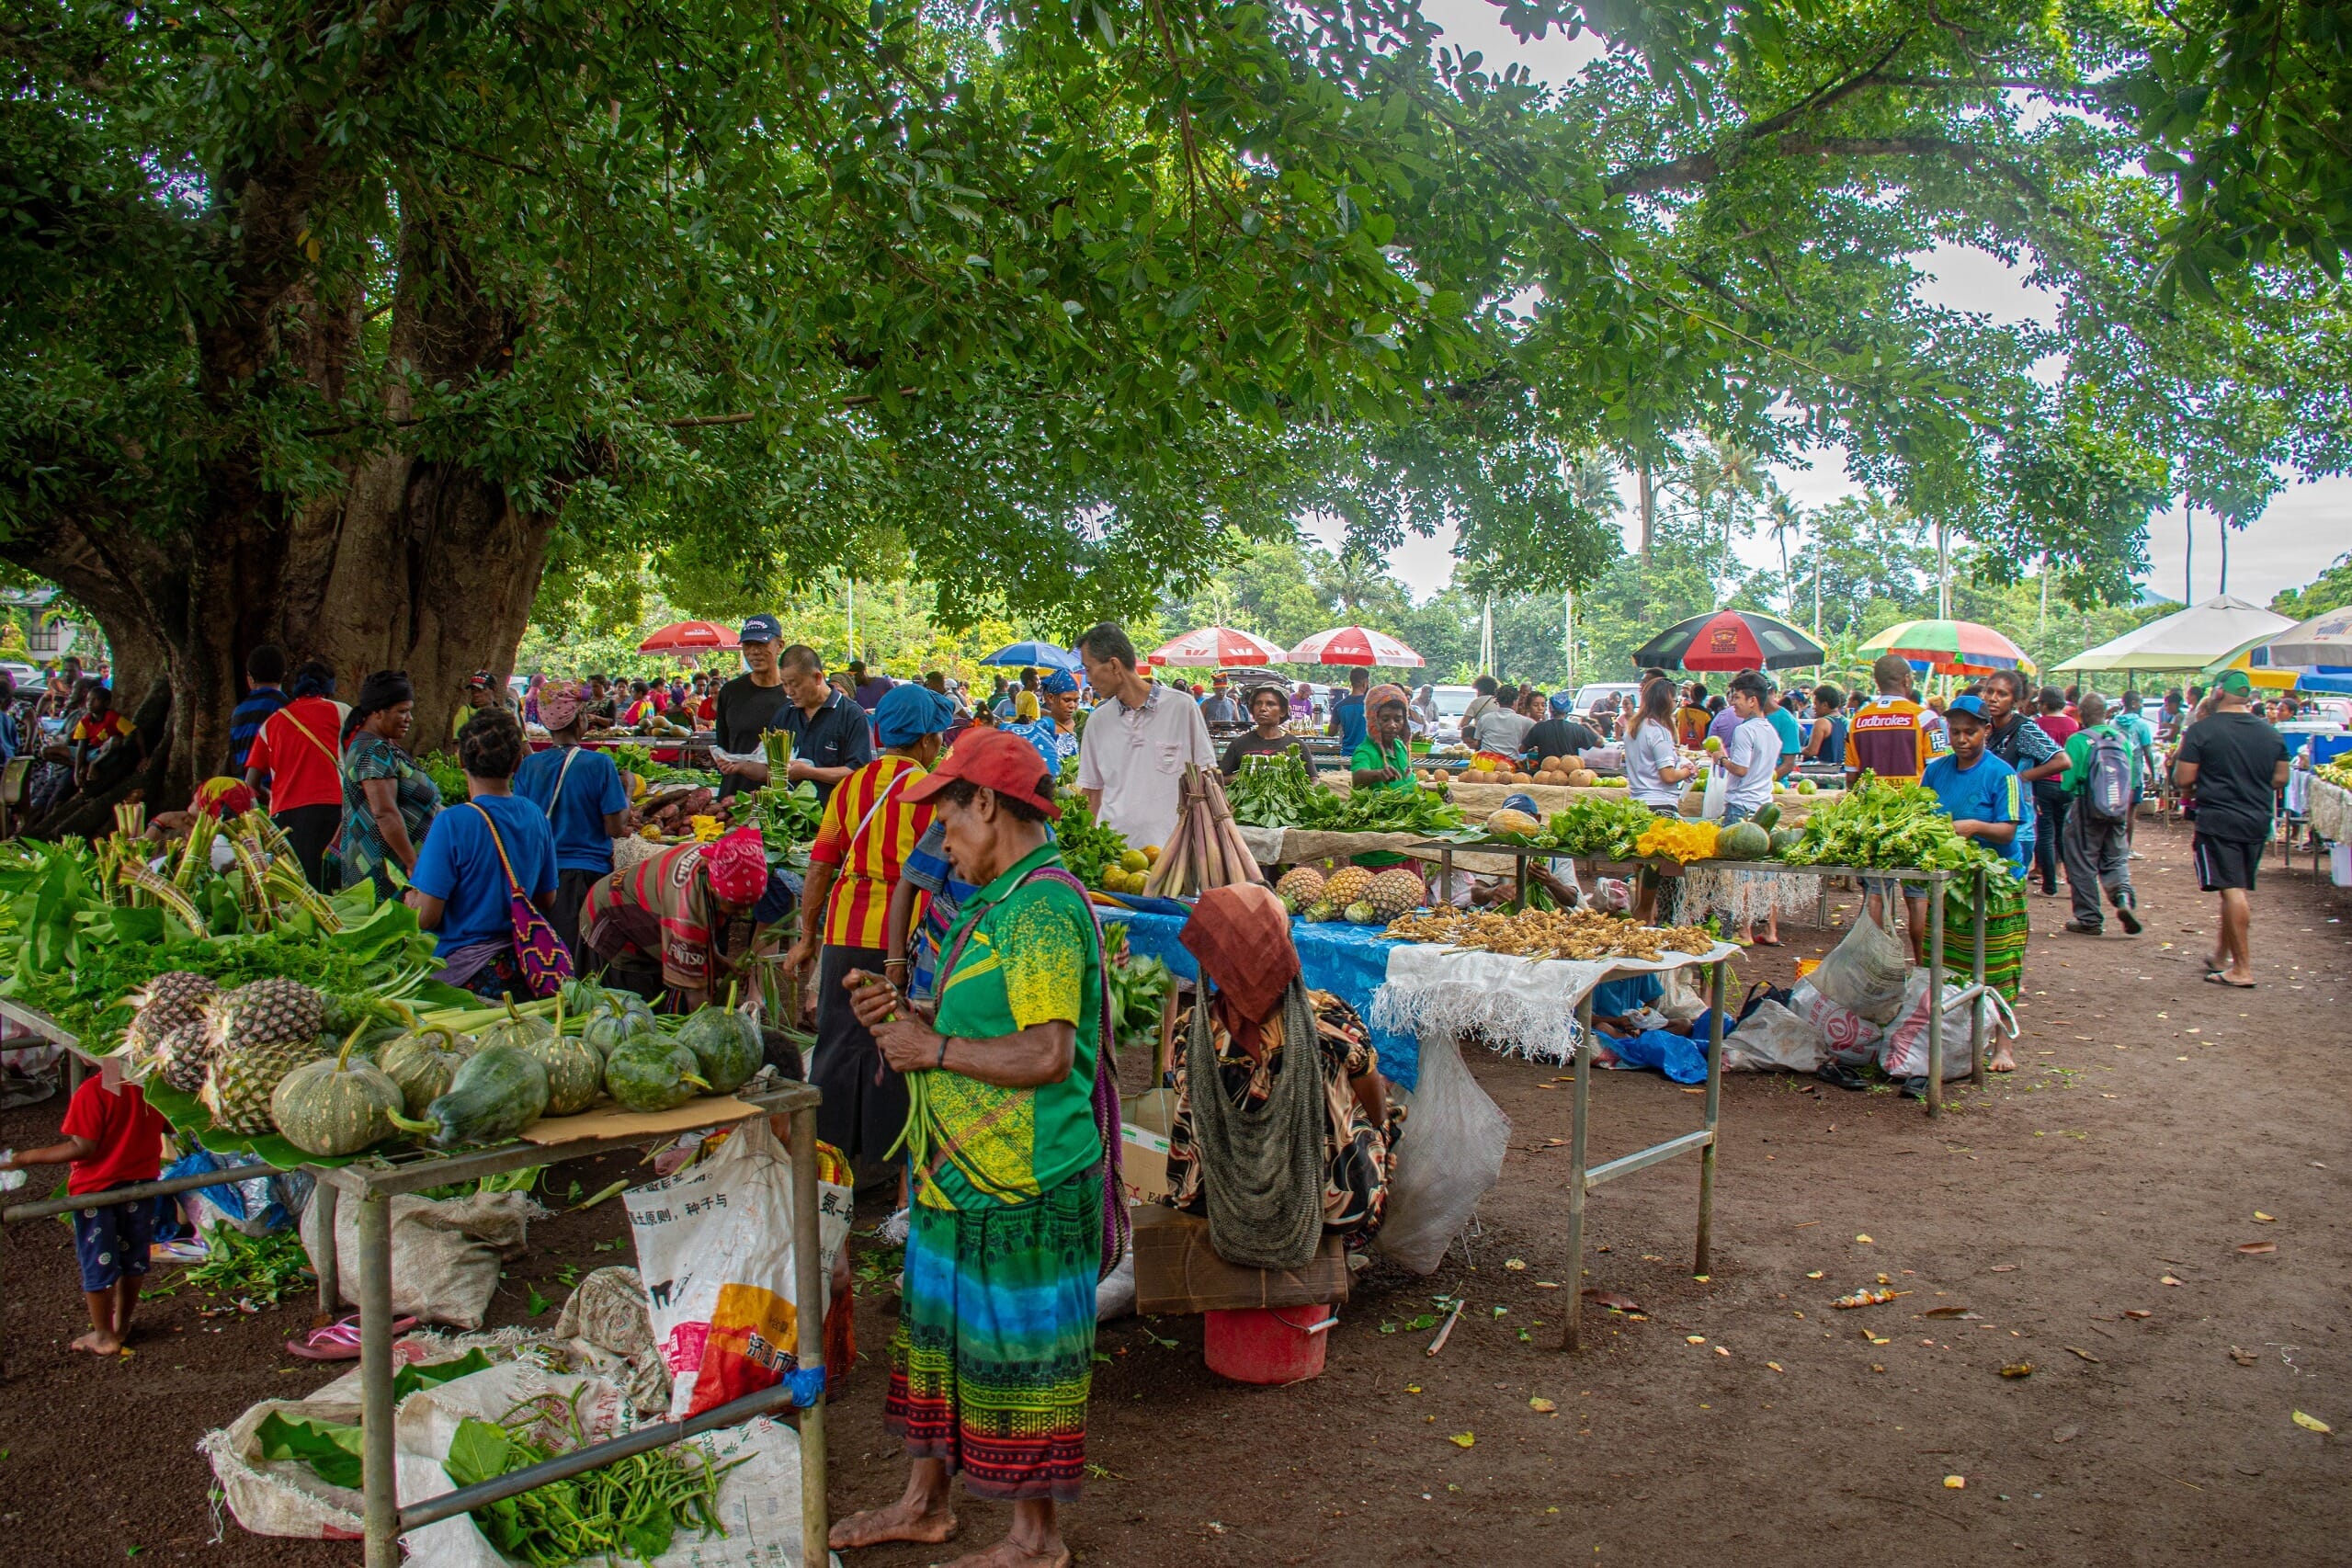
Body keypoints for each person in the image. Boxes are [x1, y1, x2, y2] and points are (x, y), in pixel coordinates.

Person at [828, 730, 1112, 1568]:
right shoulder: (993, 902)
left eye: (947, 821)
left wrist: (934, 1052)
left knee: (1016, 1358)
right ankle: (923, 1505)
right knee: (937, 1340)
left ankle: (1034, 1542)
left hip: (1024, 1182)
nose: (940, 843)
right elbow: (974, 1024)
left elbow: (1046, 1055)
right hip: (957, 1173)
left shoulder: (1043, 910)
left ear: (987, 805)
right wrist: (905, 1018)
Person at [1163, 883, 1401, 1252]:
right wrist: (1381, 1129)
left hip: (1212, 1202)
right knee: (1381, 1118)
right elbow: (1375, 1107)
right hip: (1326, 1207)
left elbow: (1184, 1096)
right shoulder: (1329, 1022)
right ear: (1281, 946)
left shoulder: (1191, 1033)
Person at [784, 683, 955, 1165]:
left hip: (843, 928)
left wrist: (808, 937)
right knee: (896, 1042)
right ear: (926, 740)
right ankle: (885, 1159)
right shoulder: (930, 792)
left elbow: (819, 867)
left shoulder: (849, 785)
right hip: (904, 937)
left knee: (838, 1041)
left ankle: (827, 1150)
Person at [0, 1068, 168, 1358]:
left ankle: (103, 1335)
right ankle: (122, 1325)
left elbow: (82, 1147)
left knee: (98, 1259)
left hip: (96, 1190)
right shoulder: (149, 1086)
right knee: (133, 1257)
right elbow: (170, 1126)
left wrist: (23, 1158)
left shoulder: (93, 1091)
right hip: (141, 1184)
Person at [406, 709, 562, 997]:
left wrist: (412, 898)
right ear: (517, 762)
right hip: (522, 967)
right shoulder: (535, 815)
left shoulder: (452, 822)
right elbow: (546, 898)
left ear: (460, 760)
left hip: (462, 976)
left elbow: (427, 917)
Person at [1921, 696, 2033, 1058]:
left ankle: (2003, 1046)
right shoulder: (1935, 771)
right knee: (1948, 960)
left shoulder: (2003, 774)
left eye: (1970, 731)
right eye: (1955, 732)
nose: (1961, 739)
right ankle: (1953, 1041)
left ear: (1987, 730)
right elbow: (1923, 815)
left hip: (1997, 880)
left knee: (1998, 963)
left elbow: (2008, 831)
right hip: (1952, 881)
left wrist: (1974, 827)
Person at [583, 826, 791, 1010]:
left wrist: (720, 964)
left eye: (749, 906)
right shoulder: (686, 908)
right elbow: (696, 997)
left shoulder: (717, 860)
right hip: (615, 919)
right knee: (636, 1007)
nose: (742, 914)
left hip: (648, 910)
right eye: (736, 906)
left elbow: (700, 944)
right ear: (714, 887)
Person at [2175, 670, 2290, 988]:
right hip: (2256, 818)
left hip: (2219, 817)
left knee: (2232, 888)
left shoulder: (2201, 731)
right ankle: (2222, 956)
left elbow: (2183, 779)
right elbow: (2281, 779)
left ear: (2219, 692)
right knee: (2234, 885)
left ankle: (2242, 968)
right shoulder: (2271, 733)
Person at [514, 682, 634, 954]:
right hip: (584, 875)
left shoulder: (529, 766)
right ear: (580, 719)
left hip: (539, 873)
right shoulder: (599, 763)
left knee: (546, 952)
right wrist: (626, 790)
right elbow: (615, 827)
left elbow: (522, 821)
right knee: (580, 955)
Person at [1074, 621, 1217, 852]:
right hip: (1115, 858)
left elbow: (1205, 778)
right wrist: (1089, 849)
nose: (1087, 679)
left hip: (1175, 854)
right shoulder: (1097, 721)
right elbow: (1091, 793)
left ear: (1113, 665)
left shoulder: (1182, 708)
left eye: (1088, 669)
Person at [1846, 653, 1947, 961]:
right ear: (1907, 681)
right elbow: (1940, 771)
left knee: (1876, 891)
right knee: (1917, 894)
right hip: (1915, 818)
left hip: (1874, 820)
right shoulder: (1926, 719)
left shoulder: (1859, 719)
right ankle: (1922, 963)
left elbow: (1851, 778)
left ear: (1876, 682)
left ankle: (1873, 963)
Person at [724, 640, 872, 804]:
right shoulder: (785, 714)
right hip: (789, 819)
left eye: (794, 684)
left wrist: (809, 772)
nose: (789, 692)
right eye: (785, 685)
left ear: (817, 678)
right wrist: (740, 766)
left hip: (833, 819)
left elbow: (858, 773)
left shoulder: (851, 714)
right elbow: (772, 770)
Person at [335, 671, 440, 898]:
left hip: (393, 868)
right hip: (385, 872)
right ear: (377, 713)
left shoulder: (379, 746)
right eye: (402, 711)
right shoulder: (374, 751)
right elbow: (385, 813)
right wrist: (413, 864)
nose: (409, 718)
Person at [244, 659, 346, 892]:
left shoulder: (271, 723)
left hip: (285, 818)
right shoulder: (341, 712)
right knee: (337, 888)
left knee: (301, 890)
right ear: (330, 687)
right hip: (332, 812)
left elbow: (250, 784)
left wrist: (271, 794)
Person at [2055, 691, 2142, 937]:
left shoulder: (2077, 740)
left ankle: (2089, 918)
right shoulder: (2122, 739)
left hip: (2086, 806)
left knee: (2081, 861)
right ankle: (2122, 897)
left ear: (2081, 714)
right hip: (2117, 807)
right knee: (2115, 857)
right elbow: (2132, 778)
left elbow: (2067, 783)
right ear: (2106, 713)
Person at [1622, 678, 1699, 922]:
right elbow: (1667, 776)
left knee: (1647, 867)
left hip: (1638, 805)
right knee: (1668, 872)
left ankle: (1645, 913)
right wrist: (1687, 771)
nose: (1676, 704)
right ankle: (1664, 921)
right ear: (1666, 701)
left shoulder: (1634, 728)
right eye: (1674, 699)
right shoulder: (1659, 731)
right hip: (1660, 807)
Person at [1717, 672, 1784, 947]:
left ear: (1753, 700)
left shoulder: (1744, 730)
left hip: (1741, 807)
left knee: (1738, 872)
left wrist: (1721, 759)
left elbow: (1741, 769)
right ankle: (1771, 930)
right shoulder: (1771, 731)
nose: (1734, 704)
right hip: (1763, 803)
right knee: (1765, 873)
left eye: (1738, 699)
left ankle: (1744, 930)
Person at [227, 644, 289, 773]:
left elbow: (233, 756)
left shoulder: (238, 712)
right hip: (274, 789)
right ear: (284, 675)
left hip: (245, 789)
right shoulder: (286, 709)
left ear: (250, 678)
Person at [2111, 691, 2160, 852]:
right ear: (2133, 704)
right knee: (2131, 812)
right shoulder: (2141, 725)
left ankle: (2114, 846)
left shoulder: (2113, 723)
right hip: (2134, 775)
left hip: (2116, 774)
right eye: (2140, 702)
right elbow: (2148, 752)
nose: (2142, 706)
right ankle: (2127, 849)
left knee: (2117, 810)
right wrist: (2153, 773)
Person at [1220, 684, 1303, 775]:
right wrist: (1237, 778)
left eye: (1270, 704)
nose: (1262, 708)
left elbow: (1313, 780)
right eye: (1258, 703)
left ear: (1282, 711)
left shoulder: (1296, 746)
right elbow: (1219, 778)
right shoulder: (1238, 745)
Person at [1348, 684, 1415, 791]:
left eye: (1398, 720)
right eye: (1385, 719)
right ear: (1373, 721)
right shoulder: (1365, 751)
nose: (1392, 725)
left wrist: (1433, 791)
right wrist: (1378, 774)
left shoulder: (1400, 747)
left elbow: (1410, 785)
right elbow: (1357, 779)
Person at [1525, 691, 1603, 766]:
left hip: (1546, 774)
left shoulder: (1539, 727)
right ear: (1568, 708)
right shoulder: (1577, 728)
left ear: (1550, 708)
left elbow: (1522, 750)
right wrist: (1587, 725)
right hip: (1570, 773)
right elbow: (1600, 743)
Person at [1472, 682, 1535, 759]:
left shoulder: (1484, 719)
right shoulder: (1526, 722)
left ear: (1498, 702)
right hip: (1508, 765)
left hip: (1485, 762)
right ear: (1515, 701)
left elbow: (1478, 744)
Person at [1761, 678, 1804, 781]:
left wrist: (1763, 784)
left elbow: (1788, 764)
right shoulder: (1748, 717)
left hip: (1773, 787)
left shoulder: (1786, 720)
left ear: (1772, 692)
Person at [1326, 667, 1371, 756]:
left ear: (1351, 682)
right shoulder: (1371, 705)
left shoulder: (1339, 706)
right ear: (1365, 683)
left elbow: (1331, 733)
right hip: (1367, 756)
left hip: (1346, 755)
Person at [450, 669, 503, 740]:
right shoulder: (465, 712)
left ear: (493, 690)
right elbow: (458, 743)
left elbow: (520, 743)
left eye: (480, 690)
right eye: (473, 690)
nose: (476, 695)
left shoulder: (504, 714)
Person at [1801, 683, 1847, 764]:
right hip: (1843, 771)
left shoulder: (1822, 723)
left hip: (1826, 772)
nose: (1813, 707)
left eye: (1815, 704)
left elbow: (1811, 751)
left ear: (1825, 705)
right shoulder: (1845, 722)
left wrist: (1794, 748)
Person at [1676, 683, 1712, 748]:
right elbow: (1709, 736)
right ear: (1704, 696)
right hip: (1700, 752)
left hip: (1681, 749)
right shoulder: (1707, 715)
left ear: (1691, 694)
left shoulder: (1681, 711)